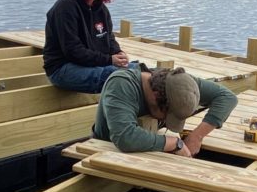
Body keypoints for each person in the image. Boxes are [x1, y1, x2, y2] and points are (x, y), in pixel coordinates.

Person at [92, 64, 238, 155]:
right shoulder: (121, 84)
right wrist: (175, 143)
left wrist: (196, 137)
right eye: (168, 117)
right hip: (107, 153)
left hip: (146, 152)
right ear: (156, 97)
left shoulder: (179, 82)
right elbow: (125, 138)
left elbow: (227, 97)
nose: (167, 123)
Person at [42, 0, 130, 93]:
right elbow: (73, 51)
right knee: (118, 77)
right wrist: (109, 60)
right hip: (62, 68)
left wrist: (118, 53)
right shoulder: (66, 7)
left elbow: (109, 39)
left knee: (138, 70)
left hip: (93, 64)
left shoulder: (101, 10)